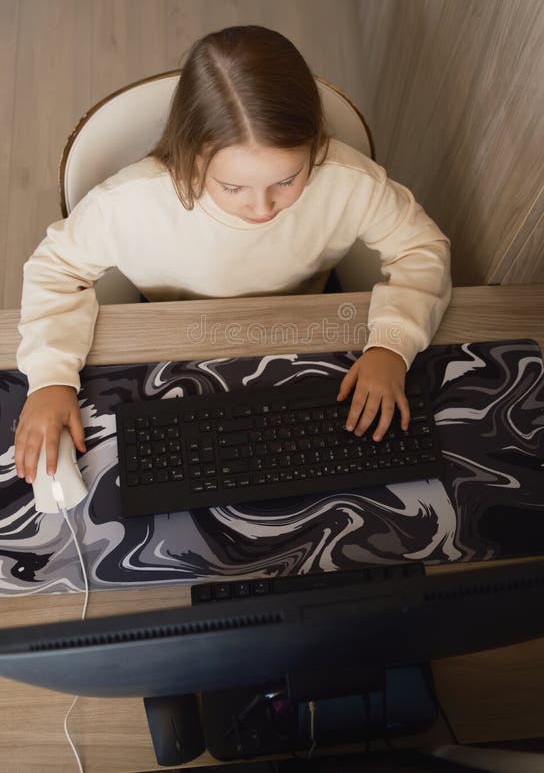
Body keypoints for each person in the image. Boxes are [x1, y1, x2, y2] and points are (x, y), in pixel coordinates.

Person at [14, 24, 452, 485]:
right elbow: (55, 269)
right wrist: (51, 378)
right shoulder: (128, 204)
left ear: (315, 143)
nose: (261, 208)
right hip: (173, 342)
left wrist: (390, 344)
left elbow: (421, 246)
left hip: (304, 328)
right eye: (233, 187)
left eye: (287, 180)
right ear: (192, 154)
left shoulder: (347, 180)